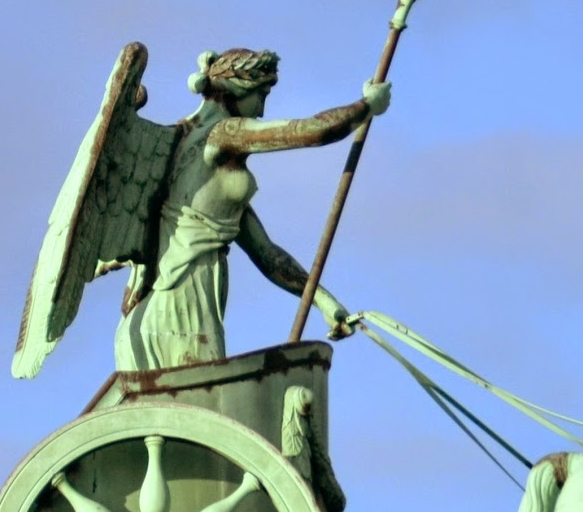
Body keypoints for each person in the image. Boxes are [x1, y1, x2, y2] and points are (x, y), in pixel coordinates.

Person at [113, 48, 390, 371]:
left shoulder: (198, 172)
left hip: (157, 313)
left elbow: (267, 254)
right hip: (179, 309)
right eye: (262, 94)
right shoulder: (223, 134)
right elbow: (310, 131)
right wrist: (368, 106)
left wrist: (324, 302)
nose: (261, 109)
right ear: (238, 91)